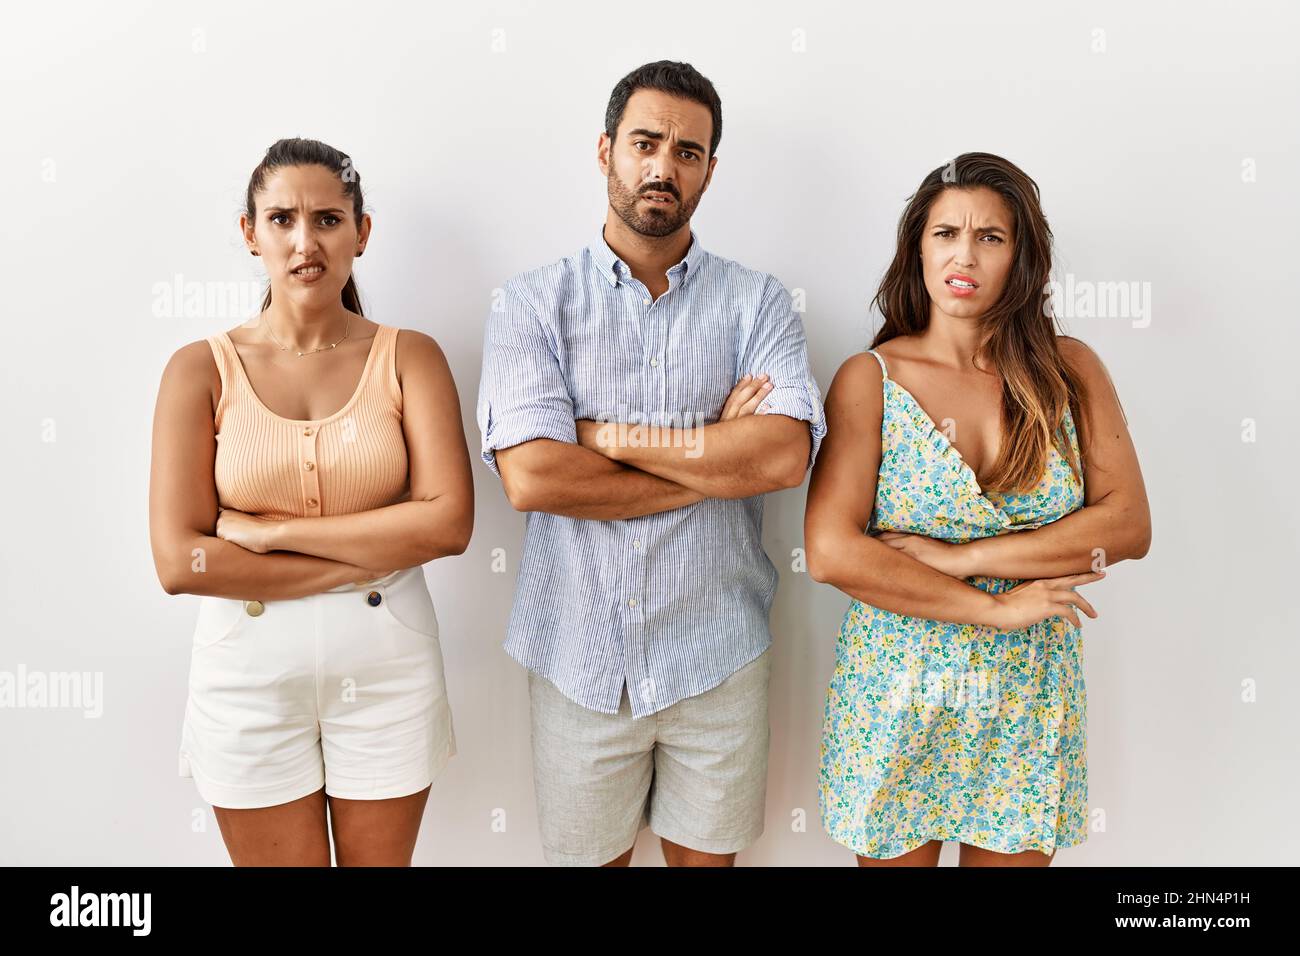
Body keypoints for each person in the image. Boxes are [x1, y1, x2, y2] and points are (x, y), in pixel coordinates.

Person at [476, 61, 826, 867]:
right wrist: (711, 449)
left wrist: (603, 437)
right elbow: (533, 479)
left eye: (688, 150)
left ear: (709, 168)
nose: (664, 166)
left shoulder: (759, 302)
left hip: (718, 658)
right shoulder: (531, 303)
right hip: (579, 661)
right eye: (645, 142)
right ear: (605, 151)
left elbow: (778, 456)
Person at [806, 152, 1151, 867]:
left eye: (991, 237)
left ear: (1021, 257)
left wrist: (965, 558)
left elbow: (1127, 526)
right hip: (898, 685)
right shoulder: (871, 378)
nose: (965, 254)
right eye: (945, 234)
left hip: (1029, 683)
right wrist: (992, 605)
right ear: (918, 249)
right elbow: (832, 553)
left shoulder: (1069, 369)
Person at [148, 137, 474, 866]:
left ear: (361, 232)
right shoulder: (198, 369)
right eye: (283, 220)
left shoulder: (410, 356)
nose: (306, 242)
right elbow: (181, 561)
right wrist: (370, 557)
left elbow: (449, 523)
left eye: (328, 219)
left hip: (389, 669)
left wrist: (272, 535)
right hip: (245, 680)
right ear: (250, 232)